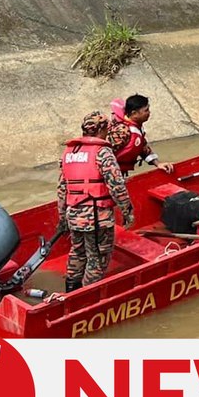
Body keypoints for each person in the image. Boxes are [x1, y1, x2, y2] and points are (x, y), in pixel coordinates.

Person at [57, 112, 134, 293]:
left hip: (74, 215)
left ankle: (71, 292)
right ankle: (87, 297)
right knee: (97, 257)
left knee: (78, 252)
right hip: (97, 217)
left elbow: (62, 189)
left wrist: (62, 218)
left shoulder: (69, 153)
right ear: (102, 129)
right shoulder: (102, 152)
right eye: (107, 128)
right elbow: (116, 185)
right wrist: (127, 211)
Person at [108, 94, 174, 177]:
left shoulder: (137, 127)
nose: (149, 112)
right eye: (146, 110)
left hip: (119, 172)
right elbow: (104, 153)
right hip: (108, 174)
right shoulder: (122, 130)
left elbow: (143, 147)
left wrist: (158, 164)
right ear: (134, 113)